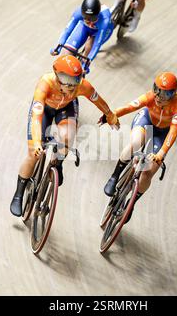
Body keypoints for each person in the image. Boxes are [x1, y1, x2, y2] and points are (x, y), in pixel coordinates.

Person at [10, 55, 120, 217]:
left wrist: (110, 115)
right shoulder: (45, 83)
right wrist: (37, 141)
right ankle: (18, 194)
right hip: (44, 110)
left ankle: (58, 163)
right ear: (57, 76)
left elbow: (98, 100)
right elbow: (36, 116)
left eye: (75, 81)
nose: (72, 86)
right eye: (68, 81)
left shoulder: (82, 86)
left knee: (67, 137)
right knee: (33, 153)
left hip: (65, 108)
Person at [103, 72, 177, 223]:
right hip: (146, 121)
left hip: (163, 133)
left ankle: (131, 203)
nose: (159, 96)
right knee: (135, 143)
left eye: (164, 94)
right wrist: (112, 114)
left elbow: (174, 130)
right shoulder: (150, 97)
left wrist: (160, 153)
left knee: (148, 172)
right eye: (157, 90)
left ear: (172, 95)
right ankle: (114, 177)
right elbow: (129, 107)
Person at [51, 0, 114, 73]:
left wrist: (87, 63)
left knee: (90, 45)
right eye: (87, 19)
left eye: (93, 19)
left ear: (98, 15)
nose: (91, 24)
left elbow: (96, 45)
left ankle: (84, 58)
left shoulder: (104, 20)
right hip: (85, 27)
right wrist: (58, 47)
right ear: (82, 14)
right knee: (65, 53)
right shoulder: (78, 12)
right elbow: (67, 31)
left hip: (99, 30)